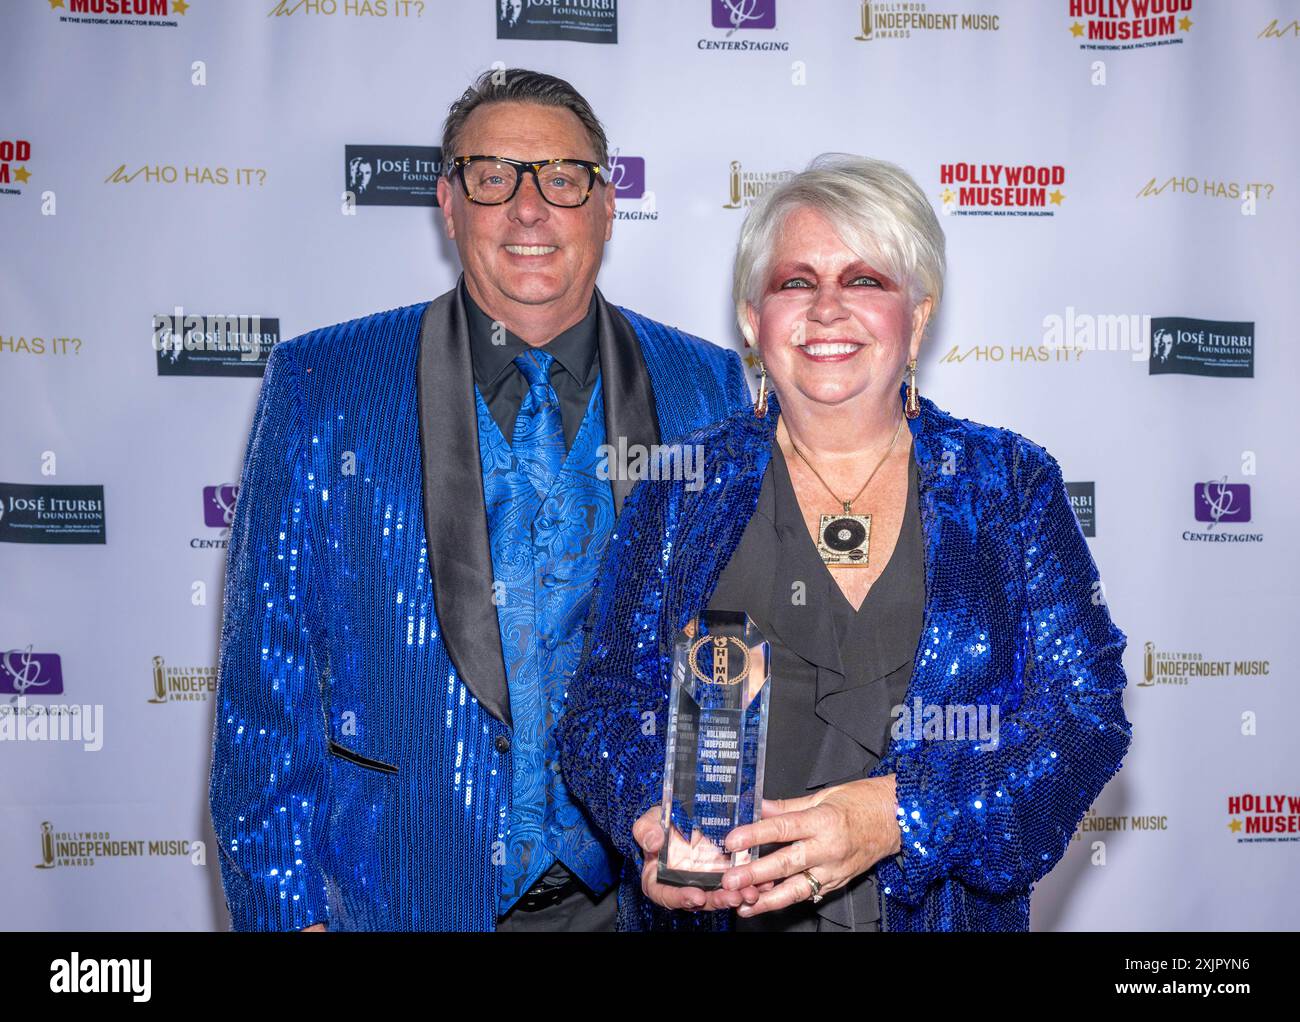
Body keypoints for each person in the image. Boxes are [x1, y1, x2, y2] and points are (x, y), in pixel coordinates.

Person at [208, 68, 751, 932]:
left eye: (562, 179)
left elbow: (739, 654)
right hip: (406, 892)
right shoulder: (327, 383)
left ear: (607, 206)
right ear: (448, 204)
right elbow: (263, 687)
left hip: (645, 905)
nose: (529, 209)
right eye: (493, 176)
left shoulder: (712, 387)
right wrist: (288, 916)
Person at [558, 153, 1133, 932]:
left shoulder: (1010, 484)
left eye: (865, 280)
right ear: (752, 319)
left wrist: (905, 815)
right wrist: (646, 818)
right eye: (796, 282)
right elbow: (603, 709)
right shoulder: (681, 486)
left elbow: (1085, 715)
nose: (828, 307)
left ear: (919, 317)